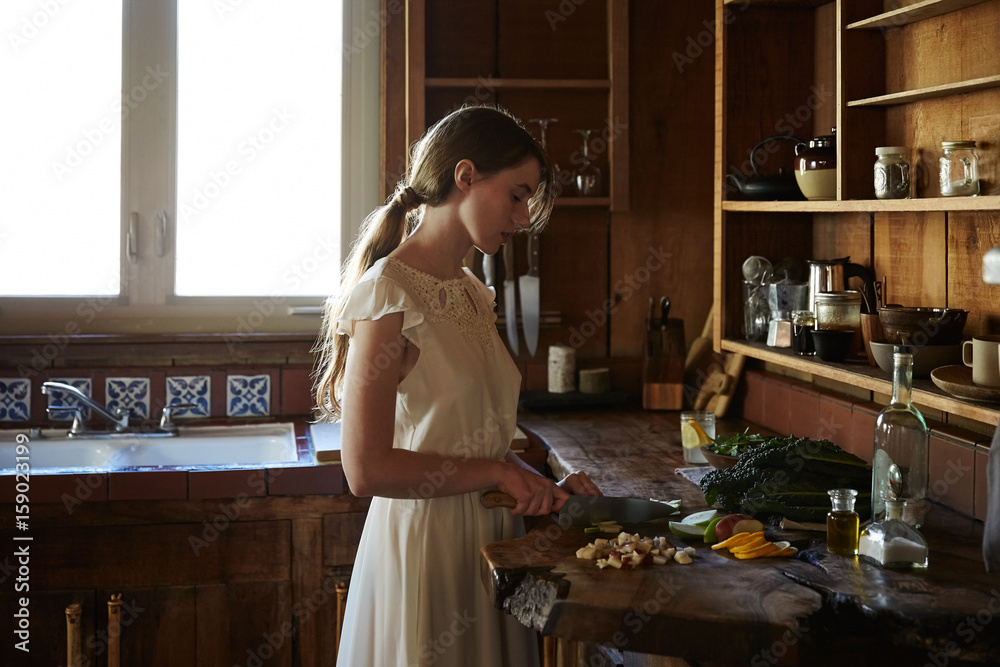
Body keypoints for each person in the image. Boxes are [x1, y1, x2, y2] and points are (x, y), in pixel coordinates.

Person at [314, 105, 602, 667]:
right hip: (427, 552)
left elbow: (471, 437)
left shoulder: (473, 291)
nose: (521, 217)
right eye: (516, 195)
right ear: (465, 175)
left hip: (493, 544)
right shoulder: (387, 295)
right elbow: (364, 469)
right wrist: (499, 472)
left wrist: (543, 482)